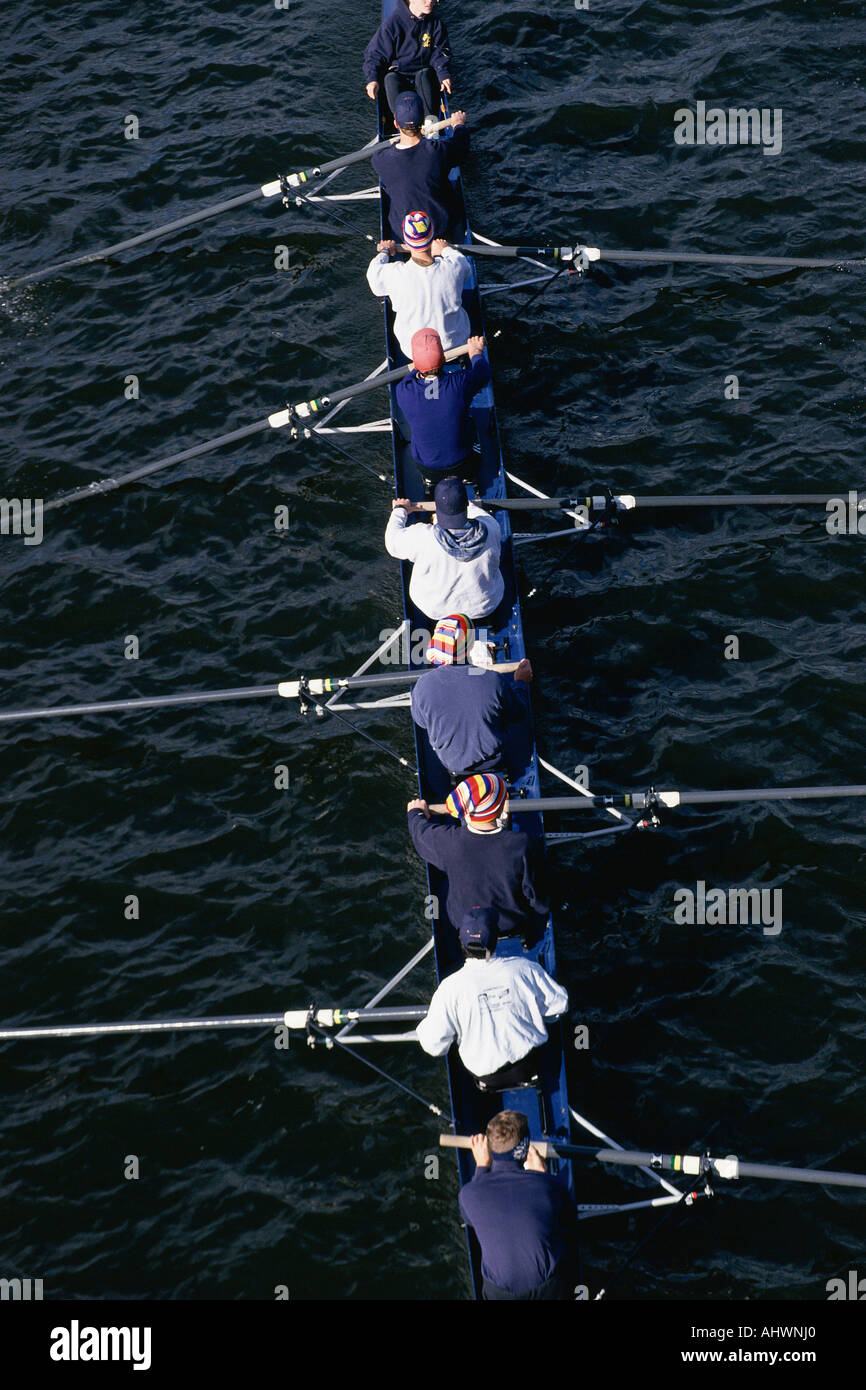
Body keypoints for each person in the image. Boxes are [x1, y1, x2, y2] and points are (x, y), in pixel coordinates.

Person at [415, 908, 567, 1088]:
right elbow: (560, 1004)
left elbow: (434, 1046)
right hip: (528, 1067)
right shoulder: (526, 969)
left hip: (486, 1078)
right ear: (496, 939)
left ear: (460, 941)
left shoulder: (449, 989)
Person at [408, 773, 550, 946]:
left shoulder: (447, 842)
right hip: (510, 924)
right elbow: (536, 895)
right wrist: (543, 914)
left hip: (462, 923)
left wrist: (415, 813)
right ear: (500, 810)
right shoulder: (522, 844)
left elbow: (420, 834)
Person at [458, 1109, 579, 1301]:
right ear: (524, 1147)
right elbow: (569, 1217)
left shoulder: (468, 1194)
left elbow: (470, 1220)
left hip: (499, 1293)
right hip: (546, 1289)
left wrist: (481, 1168)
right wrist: (541, 1174)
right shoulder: (550, 1186)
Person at [411, 613, 532, 778]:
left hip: (450, 763)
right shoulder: (492, 679)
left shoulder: (422, 685)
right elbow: (518, 712)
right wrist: (521, 682)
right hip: (494, 759)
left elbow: (422, 722)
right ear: (470, 647)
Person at [385, 478, 504, 623]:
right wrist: (470, 505)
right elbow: (478, 514)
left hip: (436, 609)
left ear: (437, 509)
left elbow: (392, 542)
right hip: (485, 607)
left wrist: (400, 510)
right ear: (465, 504)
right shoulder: (491, 526)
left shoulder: (421, 537)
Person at [366, 214, 471, 361]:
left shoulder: (393, 274)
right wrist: (445, 249)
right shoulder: (456, 265)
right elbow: (464, 267)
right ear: (432, 236)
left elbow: (374, 277)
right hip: (456, 346)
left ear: (404, 241)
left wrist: (385, 251)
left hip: (413, 352)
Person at [372, 91, 469, 245]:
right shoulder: (439, 151)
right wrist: (459, 125)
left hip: (403, 231)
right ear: (423, 123)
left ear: (396, 124)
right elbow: (462, 146)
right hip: (440, 229)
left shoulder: (379, 159)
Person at [397, 328, 489, 488]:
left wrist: (419, 366)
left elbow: (418, 379)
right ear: (443, 356)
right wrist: (476, 352)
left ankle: (430, 481)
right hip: (463, 463)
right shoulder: (461, 383)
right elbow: (483, 374)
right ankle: (470, 477)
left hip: (427, 467)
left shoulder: (403, 390)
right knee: (472, 422)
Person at [363, 0, 453, 119]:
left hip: (423, 73)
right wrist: (372, 80)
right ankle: (401, 124)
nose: (430, 1)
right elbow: (375, 54)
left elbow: (440, 52)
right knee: (390, 79)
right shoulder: (392, 24)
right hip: (399, 74)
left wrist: (443, 73)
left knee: (425, 75)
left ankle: (430, 123)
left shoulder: (436, 24)